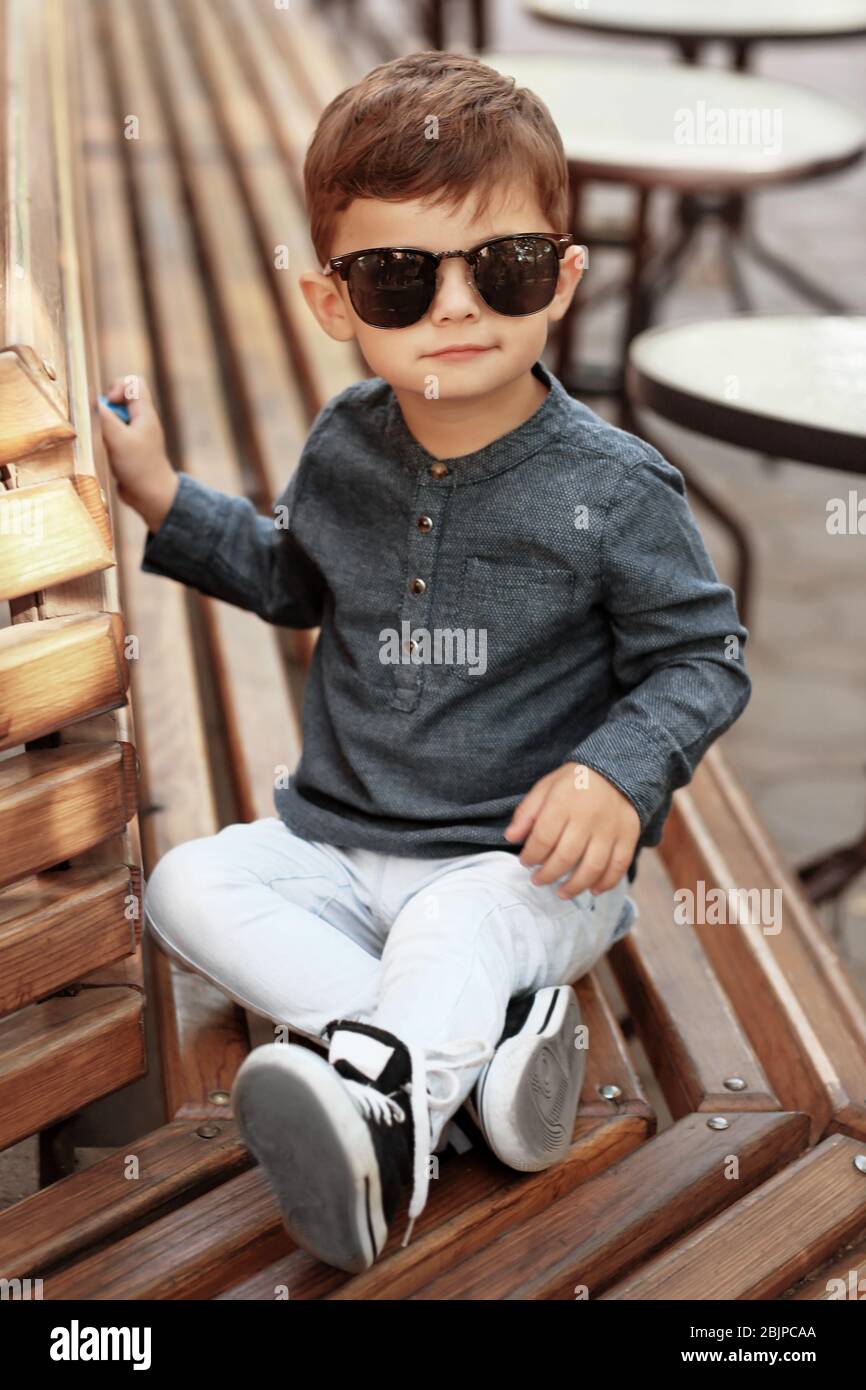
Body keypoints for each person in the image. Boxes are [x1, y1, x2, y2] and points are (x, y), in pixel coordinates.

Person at [98, 50, 751, 1276]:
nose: (454, 308)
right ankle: (480, 1060)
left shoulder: (612, 489)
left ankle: (386, 1134)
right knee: (187, 887)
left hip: (521, 870)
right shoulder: (344, 442)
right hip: (336, 842)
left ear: (560, 279)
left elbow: (702, 656)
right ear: (330, 302)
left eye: (498, 269)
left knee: (452, 930)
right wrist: (160, 496)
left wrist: (617, 773)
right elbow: (294, 578)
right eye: (398, 278)